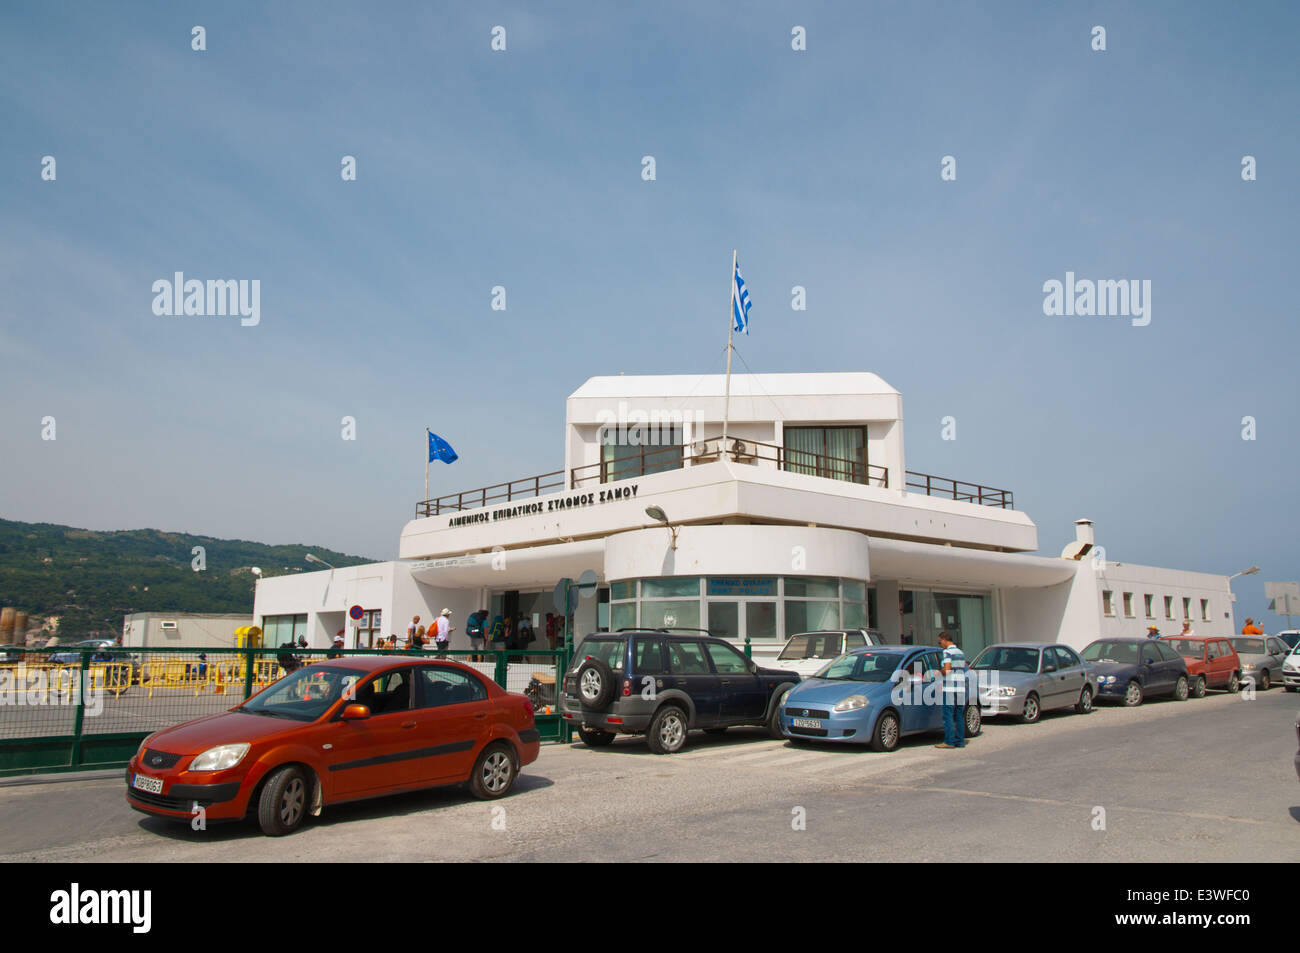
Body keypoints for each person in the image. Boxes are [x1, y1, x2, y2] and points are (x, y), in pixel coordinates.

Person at [935, 631, 967, 749]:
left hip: (950, 687)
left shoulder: (947, 652)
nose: (940, 645)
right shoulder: (960, 652)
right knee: (959, 714)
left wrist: (939, 672)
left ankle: (949, 741)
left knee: (947, 714)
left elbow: (947, 669)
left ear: (945, 640)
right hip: (961, 687)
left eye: (940, 642)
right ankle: (960, 741)